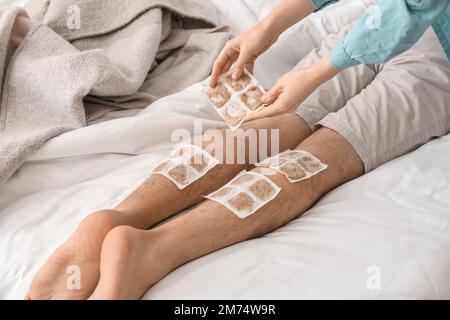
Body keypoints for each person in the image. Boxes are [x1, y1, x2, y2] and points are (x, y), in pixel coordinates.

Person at [27, 0, 450, 299]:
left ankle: (120, 216)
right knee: (317, 161)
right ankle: (152, 251)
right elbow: (413, 9)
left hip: (372, 21)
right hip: (425, 47)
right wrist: (285, 42)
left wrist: (287, 43)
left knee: (268, 127)